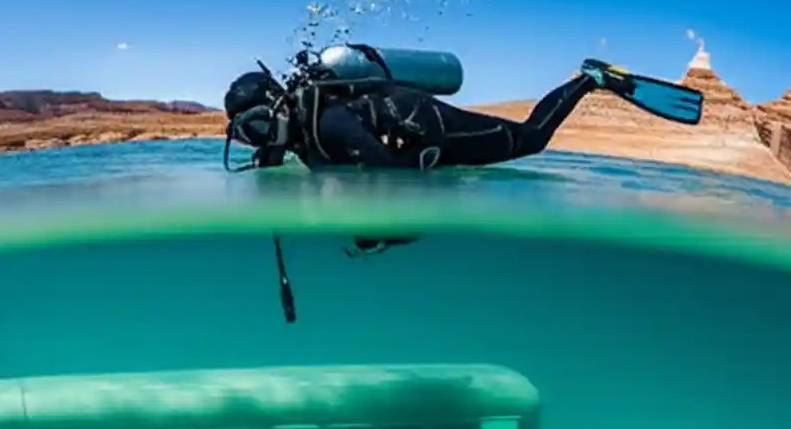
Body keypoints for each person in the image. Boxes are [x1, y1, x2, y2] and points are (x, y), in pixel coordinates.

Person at [224, 53, 703, 257]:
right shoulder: (299, 134)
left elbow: (393, 178)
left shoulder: (327, 121)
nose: (263, 140)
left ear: (278, 108)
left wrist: (383, 232)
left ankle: (590, 78)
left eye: (261, 126)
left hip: (420, 126)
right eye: (250, 135)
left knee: (533, 139)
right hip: (402, 137)